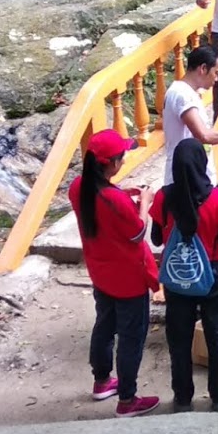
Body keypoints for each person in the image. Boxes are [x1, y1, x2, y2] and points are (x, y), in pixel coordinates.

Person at [70, 130, 160, 418]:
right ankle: (128, 399)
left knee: (105, 326)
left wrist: (121, 191)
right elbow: (137, 232)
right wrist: (145, 202)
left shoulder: (78, 187)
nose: (123, 160)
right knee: (131, 338)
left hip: (101, 272)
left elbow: (102, 201)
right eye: (121, 157)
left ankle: (101, 380)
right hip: (128, 279)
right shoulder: (115, 201)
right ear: (110, 164)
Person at [149, 140, 218, 412]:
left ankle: (183, 397)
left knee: (179, 338)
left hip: (177, 279)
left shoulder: (164, 198)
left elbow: (155, 238)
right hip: (213, 273)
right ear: (202, 164)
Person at [162, 46, 218, 189]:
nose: (216, 79)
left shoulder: (183, 92)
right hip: (189, 177)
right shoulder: (182, 95)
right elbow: (204, 135)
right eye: (215, 73)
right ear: (203, 68)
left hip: (195, 172)